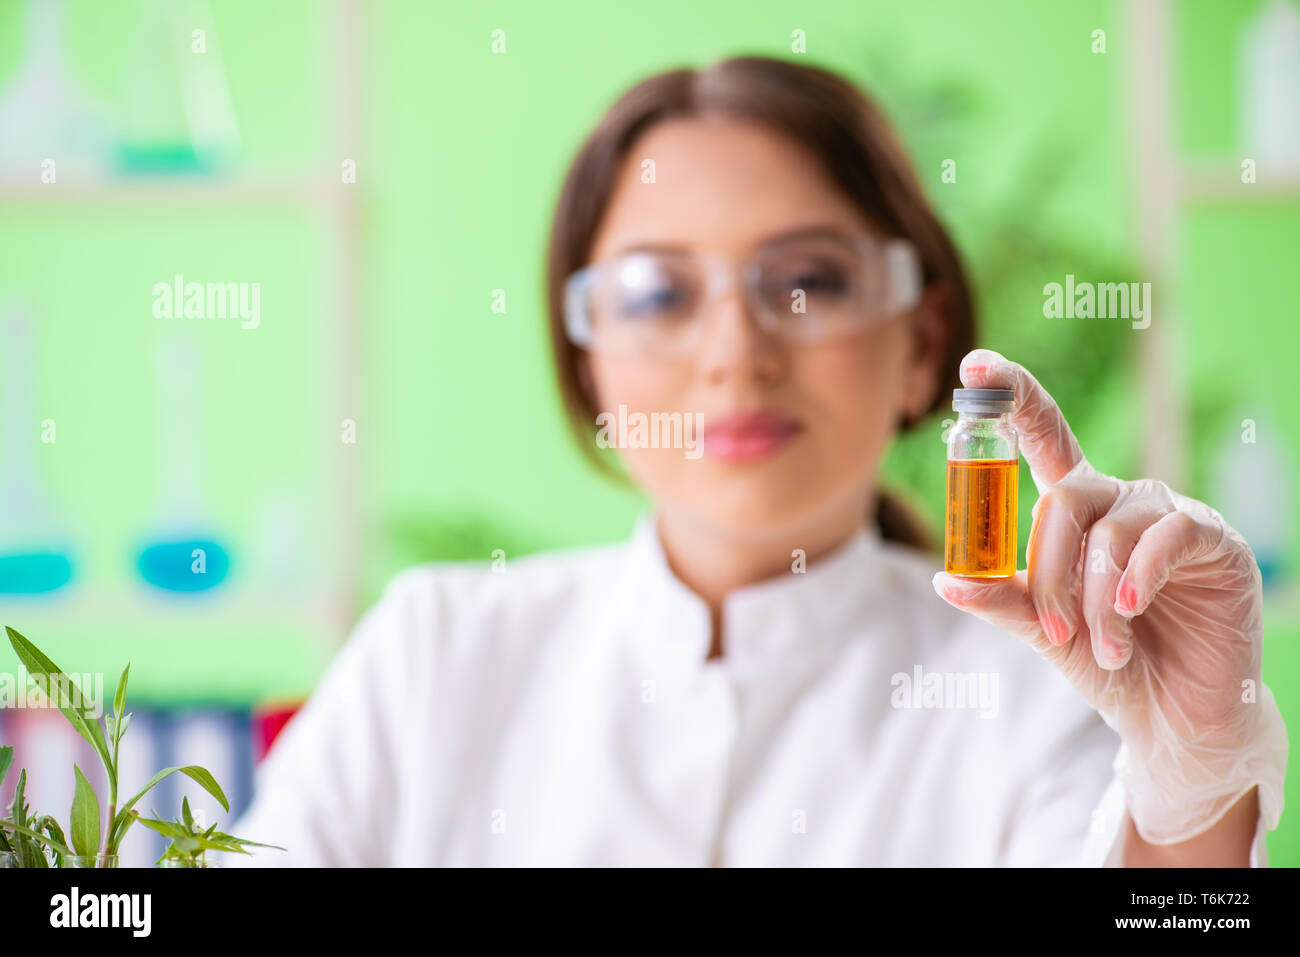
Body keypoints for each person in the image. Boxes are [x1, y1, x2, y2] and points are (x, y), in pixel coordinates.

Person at [228, 56, 1287, 866]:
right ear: (590, 363)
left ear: (919, 348)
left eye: (808, 283)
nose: (736, 352)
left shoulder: (1051, 685)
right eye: (656, 294)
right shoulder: (436, 656)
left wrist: (1188, 778)